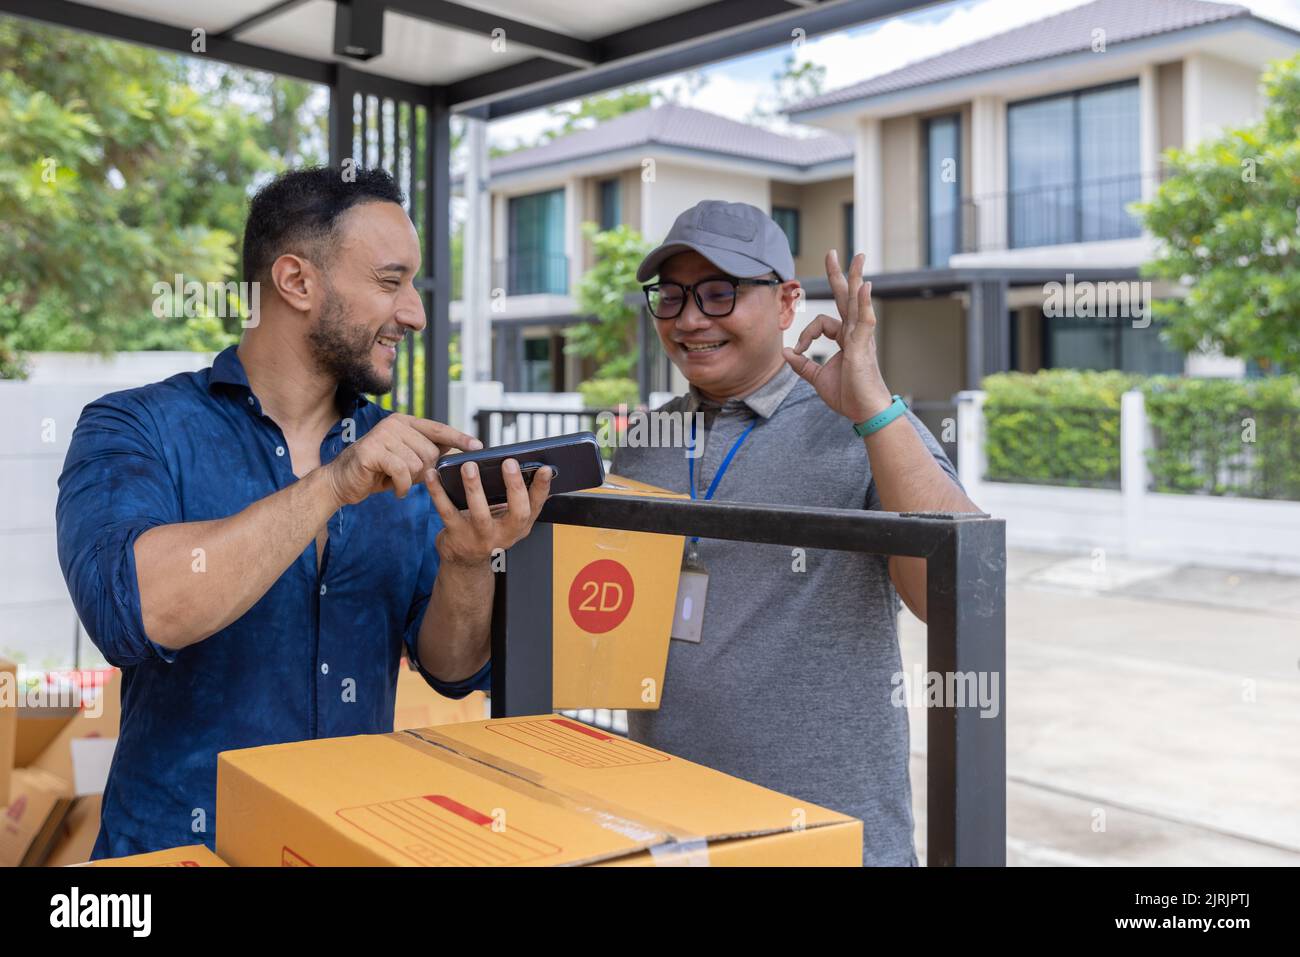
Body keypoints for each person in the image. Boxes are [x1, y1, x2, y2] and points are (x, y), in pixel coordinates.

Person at [55, 167, 551, 859]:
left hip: (350, 846)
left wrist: (468, 561)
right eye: (390, 281)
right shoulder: (134, 428)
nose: (413, 313)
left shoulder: (396, 454)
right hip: (176, 850)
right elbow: (136, 609)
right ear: (296, 281)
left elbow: (451, 667)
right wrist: (333, 482)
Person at [611, 200, 980, 866]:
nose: (691, 319)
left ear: (786, 303)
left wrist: (872, 409)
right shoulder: (644, 441)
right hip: (673, 834)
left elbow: (964, 594)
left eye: (719, 293)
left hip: (828, 840)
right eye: (670, 297)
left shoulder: (862, 425)